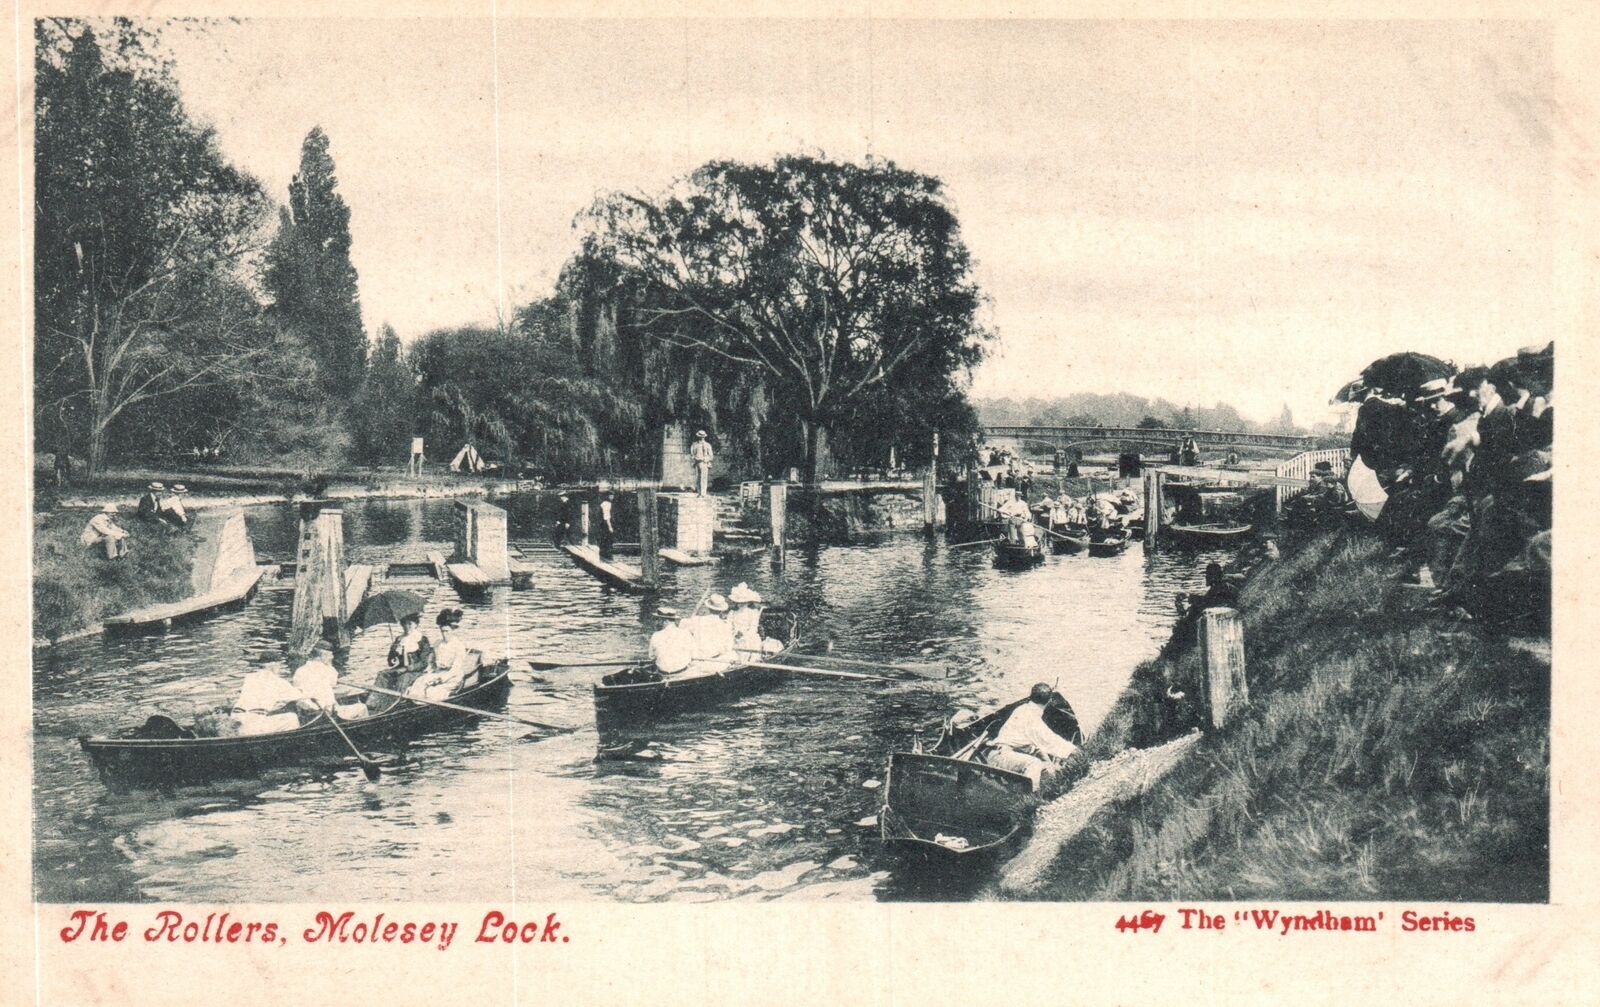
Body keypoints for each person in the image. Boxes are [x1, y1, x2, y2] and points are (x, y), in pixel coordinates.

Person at [985, 683, 1082, 791]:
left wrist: (1049, 765)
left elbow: (1035, 745)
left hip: (996, 753)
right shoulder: (1033, 719)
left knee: (1045, 764)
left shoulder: (1021, 709)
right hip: (1001, 757)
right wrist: (1073, 750)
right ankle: (1032, 795)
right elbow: (1050, 740)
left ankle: (1028, 790)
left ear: (1031, 696)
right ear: (1049, 701)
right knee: (1034, 764)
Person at [292, 641, 368, 720]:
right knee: (362, 707)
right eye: (330, 655)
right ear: (323, 656)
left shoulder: (299, 670)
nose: (332, 658)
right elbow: (334, 684)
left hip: (308, 712)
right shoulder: (328, 669)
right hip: (326, 713)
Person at [232, 663, 313, 736]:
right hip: (254, 727)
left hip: (237, 722)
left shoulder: (249, 678)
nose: (279, 669)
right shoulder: (277, 681)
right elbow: (300, 696)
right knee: (292, 718)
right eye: (279, 666)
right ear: (274, 666)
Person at [410, 609, 475, 700]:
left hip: (452, 676)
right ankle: (413, 704)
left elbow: (455, 669)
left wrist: (440, 679)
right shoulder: (437, 643)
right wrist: (428, 672)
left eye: (447, 631)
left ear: (453, 630)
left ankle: (428, 707)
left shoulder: (459, 646)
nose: (444, 634)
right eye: (442, 631)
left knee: (431, 692)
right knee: (419, 683)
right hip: (437, 672)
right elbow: (431, 662)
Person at [375, 613, 434, 708]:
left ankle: (394, 705)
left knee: (403, 678)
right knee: (382, 674)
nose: (407, 627)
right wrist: (393, 654)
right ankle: (374, 703)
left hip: (415, 671)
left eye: (410, 624)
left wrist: (407, 668)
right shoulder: (399, 639)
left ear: (416, 624)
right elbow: (390, 662)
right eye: (404, 624)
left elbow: (423, 663)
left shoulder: (422, 639)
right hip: (400, 668)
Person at [684, 594, 737, 667]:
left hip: (698, 658)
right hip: (715, 659)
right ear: (721, 611)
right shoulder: (724, 625)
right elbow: (728, 647)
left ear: (708, 608)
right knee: (732, 654)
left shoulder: (696, 620)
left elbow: (683, 629)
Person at [647, 606, 694, 676]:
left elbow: (651, 657)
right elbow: (693, 654)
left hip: (663, 673)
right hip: (681, 672)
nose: (657, 622)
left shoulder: (655, 635)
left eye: (658, 619)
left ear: (665, 621)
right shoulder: (686, 633)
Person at [690, 429, 714, 496]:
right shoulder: (694, 445)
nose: (701, 438)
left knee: (704, 478)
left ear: (704, 437)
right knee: (698, 478)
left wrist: (706, 459)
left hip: (704, 463)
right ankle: (699, 493)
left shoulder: (707, 445)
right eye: (700, 436)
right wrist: (695, 458)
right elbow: (692, 454)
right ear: (698, 437)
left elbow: (711, 456)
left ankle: (703, 493)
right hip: (697, 462)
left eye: (703, 437)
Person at [596, 491, 616, 560]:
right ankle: (607, 554)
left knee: (604, 539)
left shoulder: (604, 503)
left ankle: (603, 554)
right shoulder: (606, 504)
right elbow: (606, 517)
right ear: (608, 496)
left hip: (603, 524)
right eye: (611, 496)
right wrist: (610, 526)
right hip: (606, 524)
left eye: (612, 496)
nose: (612, 497)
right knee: (608, 539)